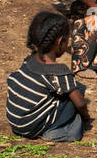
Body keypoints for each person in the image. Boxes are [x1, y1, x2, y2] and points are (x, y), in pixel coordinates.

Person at [6, 10, 91, 142]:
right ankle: (56, 132)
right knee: (77, 94)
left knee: (69, 89)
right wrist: (86, 119)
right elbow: (80, 104)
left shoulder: (29, 60)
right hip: (31, 126)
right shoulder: (59, 71)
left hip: (16, 122)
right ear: (60, 42)